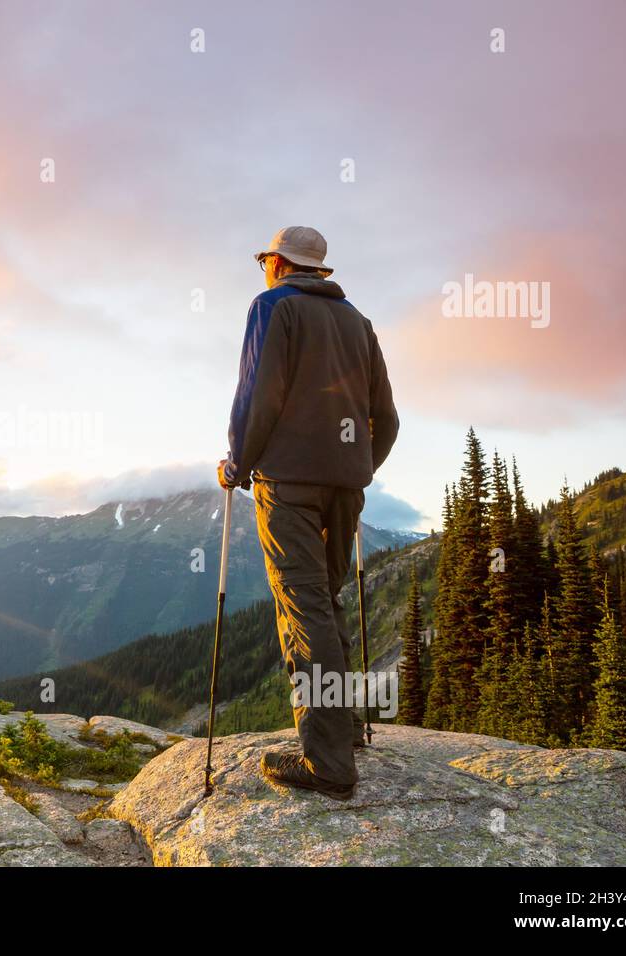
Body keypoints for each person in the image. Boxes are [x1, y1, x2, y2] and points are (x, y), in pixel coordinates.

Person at [218, 225, 398, 800]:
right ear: (319, 270)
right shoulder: (359, 323)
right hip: (345, 487)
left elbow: (257, 392)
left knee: (304, 609)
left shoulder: (272, 307)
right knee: (326, 599)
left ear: (278, 263)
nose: (264, 269)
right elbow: (386, 418)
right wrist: (358, 467)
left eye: (265, 260)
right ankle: (342, 735)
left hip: (288, 483)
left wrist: (238, 463)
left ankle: (327, 765)